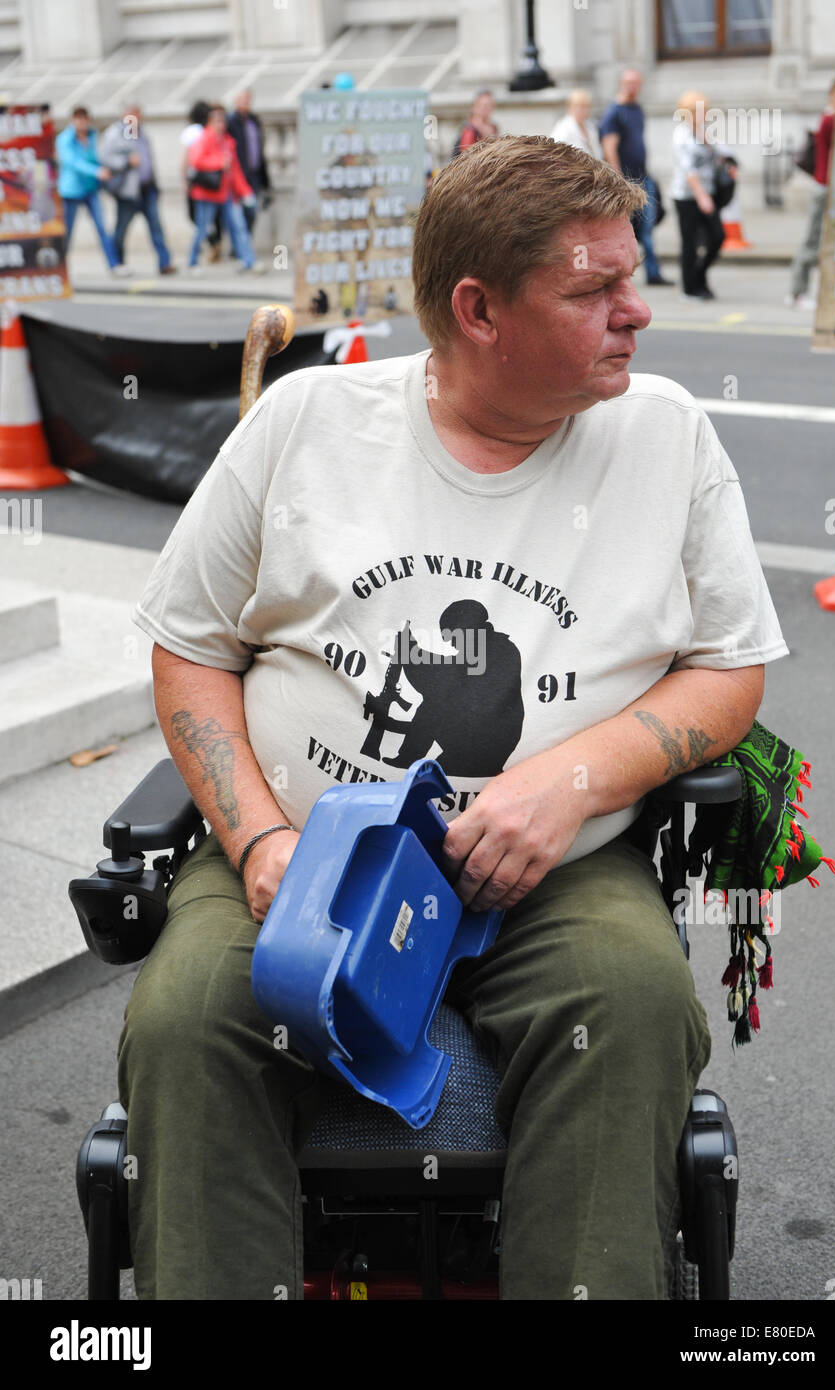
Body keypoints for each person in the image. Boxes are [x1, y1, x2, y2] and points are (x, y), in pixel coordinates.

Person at [121, 134, 787, 1301]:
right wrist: (263, 840)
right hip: (306, 855)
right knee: (186, 1023)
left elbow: (728, 672)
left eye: (630, 278)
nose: (638, 311)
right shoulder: (308, 422)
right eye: (594, 291)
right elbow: (189, 649)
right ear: (478, 309)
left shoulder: (666, 434)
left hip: (556, 877)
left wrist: (571, 782)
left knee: (627, 1005)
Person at [599, 69, 672, 286]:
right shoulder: (614, 112)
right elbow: (609, 146)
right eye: (629, 83)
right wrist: (618, 178)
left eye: (636, 83)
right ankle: (618, 274)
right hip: (626, 181)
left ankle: (652, 272)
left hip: (643, 177)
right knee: (623, 229)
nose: (633, 87)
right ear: (621, 84)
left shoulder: (637, 109)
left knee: (647, 227)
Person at [99, 105, 176, 276]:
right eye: (132, 114)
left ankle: (165, 263)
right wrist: (127, 161)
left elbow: (148, 158)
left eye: (138, 114)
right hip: (128, 191)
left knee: (156, 228)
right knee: (121, 229)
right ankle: (118, 264)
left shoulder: (141, 133)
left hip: (147, 188)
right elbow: (105, 157)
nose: (135, 117)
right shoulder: (116, 133)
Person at [186, 104, 261, 273]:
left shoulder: (228, 142)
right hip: (207, 193)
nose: (221, 124)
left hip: (227, 193)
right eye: (217, 121)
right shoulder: (205, 138)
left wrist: (246, 192)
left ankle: (248, 260)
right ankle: (192, 261)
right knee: (202, 229)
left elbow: (235, 171)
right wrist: (218, 163)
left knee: (239, 227)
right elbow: (196, 160)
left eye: (223, 121)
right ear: (210, 122)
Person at [787, 77, 835, 311]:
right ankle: (797, 291)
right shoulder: (830, 119)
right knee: (812, 240)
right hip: (824, 187)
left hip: (834, 187)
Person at [671, 90, 727, 301]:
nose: (705, 114)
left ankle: (700, 276)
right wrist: (701, 196)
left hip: (708, 193)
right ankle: (689, 288)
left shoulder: (702, 132)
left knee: (717, 237)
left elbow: (721, 153)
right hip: (687, 197)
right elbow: (688, 171)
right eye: (700, 111)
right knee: (690, 242)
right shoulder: (682, 134)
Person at [55, 106, 126, 275]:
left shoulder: (93, 135)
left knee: (102, 228)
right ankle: (59, 267)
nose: (81, 123)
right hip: (71, 191)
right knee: (67, 232)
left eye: (84, 119)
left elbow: (97, 157)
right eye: (78, 119)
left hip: (90, 189)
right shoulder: (65, 139)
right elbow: (73, 162)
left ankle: (113, 265)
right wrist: (96, 171)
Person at [180, 99, 222, 262]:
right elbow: (194, 160)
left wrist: (184, 180)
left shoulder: (201, 133)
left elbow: (186, 161)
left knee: (202, 223)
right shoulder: (203, 134)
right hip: (206, 186)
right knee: (203, 224)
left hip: (206, 186)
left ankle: (204, 253)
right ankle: (197, 257)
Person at [227, 89, 271, 236]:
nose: (245, 103)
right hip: (238, 175)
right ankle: (240, 246)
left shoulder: (254, 121)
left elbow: (259, 151)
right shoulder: (231, 122)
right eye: (242, 100)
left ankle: (245, 244)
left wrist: (266, 181)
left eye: (247, 100)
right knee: (241, 213)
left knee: (252, 211)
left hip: (254, 173)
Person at [551, 89, 601, 159]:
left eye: (587, 107)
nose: (584, 111)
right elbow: (555, 154)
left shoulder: (591, 126)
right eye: (580, 107)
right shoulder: (563, 128)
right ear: (570, 108)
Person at [452, 90, 499, 157]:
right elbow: (466, 156)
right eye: (481, 105)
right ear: (475, 106)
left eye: (488, 105)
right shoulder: (469, 129)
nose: (484, 108)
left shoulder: (493, 127)